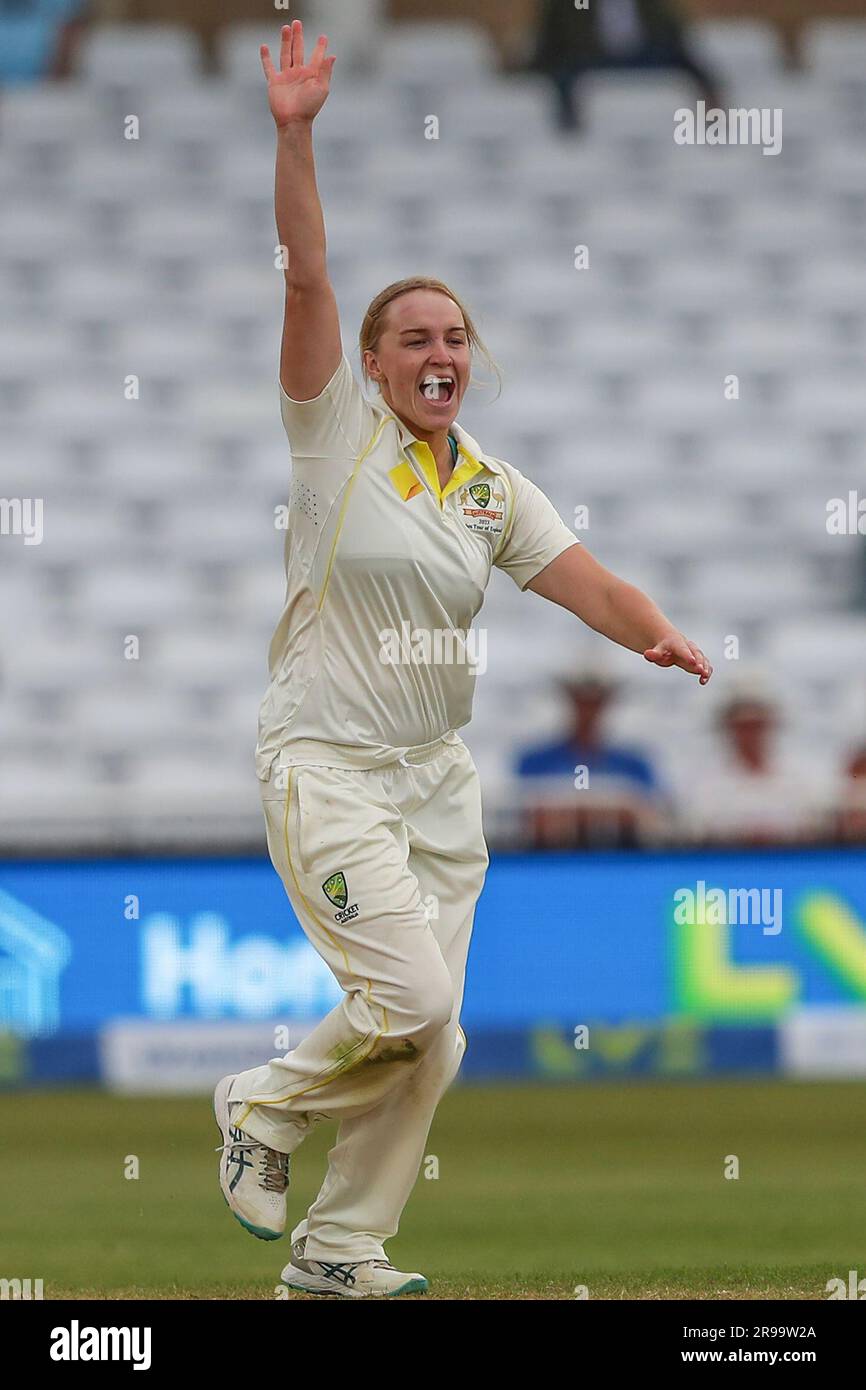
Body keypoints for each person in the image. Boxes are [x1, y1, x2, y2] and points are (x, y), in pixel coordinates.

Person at [213, 20, 713, 1300]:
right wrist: (294, 132)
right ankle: (261, 1106)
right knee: (412, 1000)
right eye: (414, 340)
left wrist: (652, 631)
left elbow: (582, 579)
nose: (438, 355)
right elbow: (307, 281)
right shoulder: (336, 438)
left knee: (430, 1043)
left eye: (453, 340)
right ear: (375, 367)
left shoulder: (488, 487)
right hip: (324, 761)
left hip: (435, 782)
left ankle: (337, 1251)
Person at [516, 666, 667, 847]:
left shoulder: (634, 763)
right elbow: (524, 817)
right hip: (549, 858)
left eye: (596, 702)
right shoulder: (535, 761)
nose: (588, 710)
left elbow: (653, 817)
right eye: (582, 701)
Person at [529, 0, 721, 133]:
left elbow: (675, 41)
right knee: (564, 72)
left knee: (678, 62)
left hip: (642, 60)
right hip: (590, 62)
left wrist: (707, 83)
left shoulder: (652, 5)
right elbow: (551, 45)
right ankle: (571, 135)